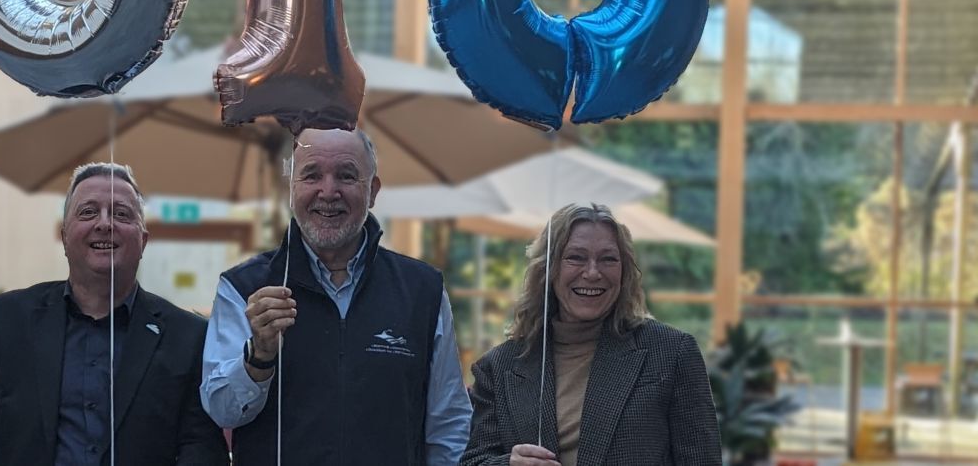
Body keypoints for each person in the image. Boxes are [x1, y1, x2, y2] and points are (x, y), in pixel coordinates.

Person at [201, 127, 473, 465]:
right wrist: (259, 356)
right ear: (292, 189)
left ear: (372, 191)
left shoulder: (422, 289)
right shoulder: (244, 287)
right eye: (311, 175)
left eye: (346, 176)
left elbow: (449, 424)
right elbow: (222, 411)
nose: (328, 191)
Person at [0, 162, 229, 466]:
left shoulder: (189, 337)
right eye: (88, 212)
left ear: (143, 240)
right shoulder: (6, 321)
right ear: (65, 237)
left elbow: (201, 448)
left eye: (121, 213)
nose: (105, 224)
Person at [462, 203, 720, 466]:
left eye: (608, 259)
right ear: (548, 269)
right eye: (576, 257)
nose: (593, 273)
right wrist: (508, 464)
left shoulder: (671, 352)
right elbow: (473, 461)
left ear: (625, 271)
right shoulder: (498, 367)